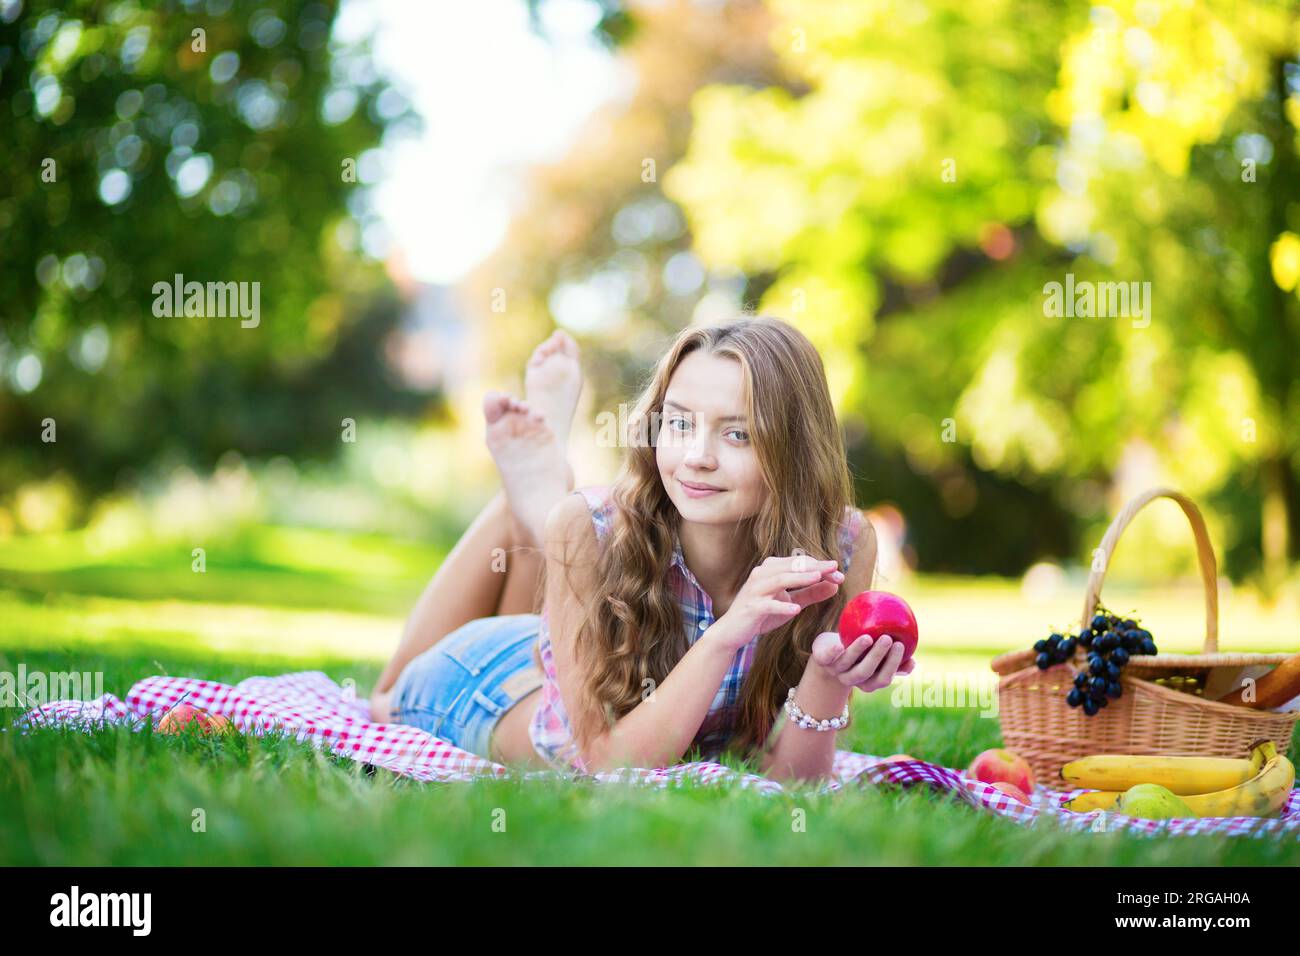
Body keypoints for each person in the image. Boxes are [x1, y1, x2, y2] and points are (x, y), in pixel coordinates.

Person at [369, 316, 915, 783]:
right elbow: (610, 767)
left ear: (795, 449)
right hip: (480, 682)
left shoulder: (841, 545)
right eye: (678, 423)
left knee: (563, 573)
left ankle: (534, 499)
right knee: (382, 699)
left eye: (738, 434)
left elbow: (793, 786)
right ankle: (533, 498)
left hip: (568, 653)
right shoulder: (594, 528)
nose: (696, 456)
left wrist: (829, 677)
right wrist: (729, 632)